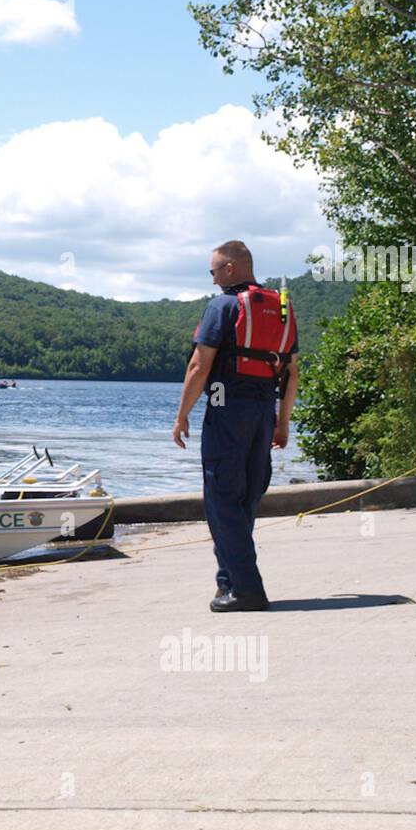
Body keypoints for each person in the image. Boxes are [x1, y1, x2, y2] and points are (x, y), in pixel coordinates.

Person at [172, 241, 298, 612]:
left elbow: (199, 366)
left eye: (213, 272)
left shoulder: (223, 306)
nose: (212, 281)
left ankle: (247, 590)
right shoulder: (281, 309)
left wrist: (181, 416)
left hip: (226, 408)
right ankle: (228, 582)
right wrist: (283, 422)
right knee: (244, 499)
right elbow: (292, 374)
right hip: (262, 411)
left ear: (229, 268)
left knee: (222, 500)